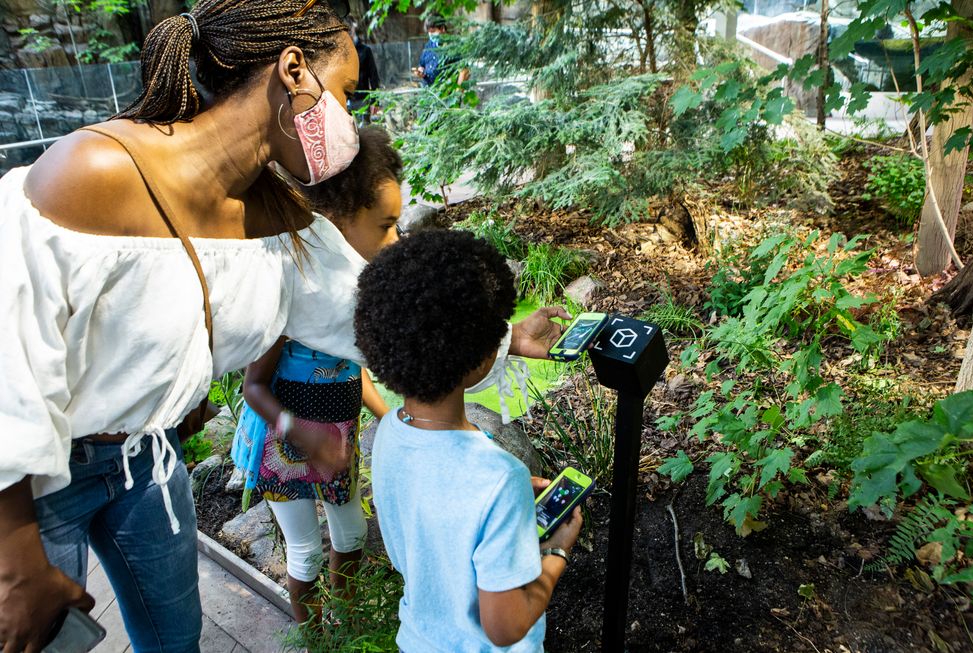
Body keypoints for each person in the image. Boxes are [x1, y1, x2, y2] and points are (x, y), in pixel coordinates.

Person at [0, 0, 567, 642]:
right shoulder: (92, 172)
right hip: (36, 485)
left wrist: (501, 339)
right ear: (294, 70)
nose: (350, 120)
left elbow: (375, 316)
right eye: (347, 94)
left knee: (173, 641)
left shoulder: (280, 216)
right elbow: (9, 360)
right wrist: (15, 557)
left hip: (149, 460)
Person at [354, 230, 583, 652]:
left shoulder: (389, 433)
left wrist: (505, 511)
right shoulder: (499, 478)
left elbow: (437, 521)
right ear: (480, 357)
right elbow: (505, 626)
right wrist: (556, 552)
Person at [231, 127, 401, 625]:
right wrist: (299, 431)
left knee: (349, 538)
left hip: (338, 437)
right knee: (304, 550)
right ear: (333, 223)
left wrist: (386, 415)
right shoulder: (293, 295)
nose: (395, 241)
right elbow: (253, 387)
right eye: (385, 226)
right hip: (284, 441)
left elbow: (350, 368)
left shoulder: (355, 294)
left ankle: (342, 626)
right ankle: (312, 637)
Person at [413, 15, 469, 87]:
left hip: (447, 92)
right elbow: (422, 65)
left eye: (433, 31)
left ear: (442, 28)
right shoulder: (428, 45)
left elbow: (464, 70)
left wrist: (459, 91)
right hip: (429, 91)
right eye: (429, 32)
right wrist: (420, 72)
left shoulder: (453, 46)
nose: (430, 35)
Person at [347, 19, 380, 121]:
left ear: (353, 29)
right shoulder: (339, 51)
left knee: (364, 133)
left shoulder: (365, 50)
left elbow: (374, 77)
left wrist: (375, 101)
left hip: (362, 99)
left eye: (349, 30)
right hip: (344, 100)